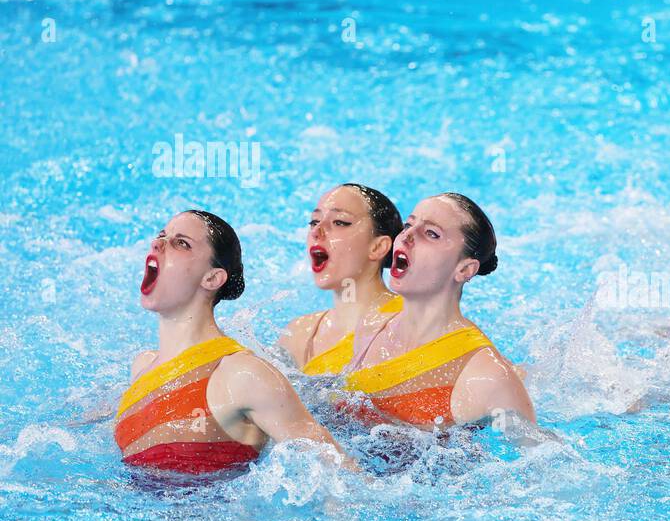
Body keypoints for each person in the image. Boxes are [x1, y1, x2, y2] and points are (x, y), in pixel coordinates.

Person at [117, 210, 354, 474]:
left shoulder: (242, 375)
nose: (157, 243)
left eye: (181, 243)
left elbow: (338, 469)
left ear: (212, 278)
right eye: (161, 235)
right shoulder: (142, 368)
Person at [344, 193, 535, 429]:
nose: (407, 237)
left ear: (464, 269)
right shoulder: (372, 325)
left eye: (431, 233)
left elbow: (541, 456)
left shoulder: (487, 378)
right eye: (408, 225)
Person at [279, 184, 403, 375]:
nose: (317, 231)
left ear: (378, 247)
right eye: (314, 222)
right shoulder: (298, 334)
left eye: (340, 222)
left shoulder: (409, 324)